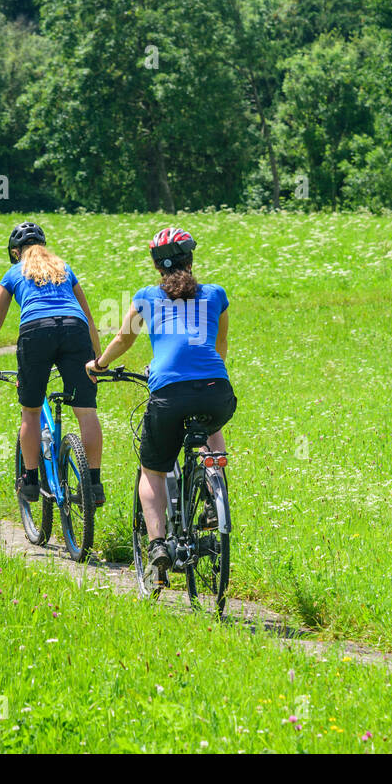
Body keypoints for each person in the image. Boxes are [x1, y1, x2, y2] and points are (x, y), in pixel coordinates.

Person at [85, 227, 235, 570]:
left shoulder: (146, 297)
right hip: (216, 390)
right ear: (191, 259)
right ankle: (215, 494)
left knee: (152, 470)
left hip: (168, 393)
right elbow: (220, 346)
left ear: (157, 267)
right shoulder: (216, 294)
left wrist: (99, 364)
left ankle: (157, 546)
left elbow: (124, 339)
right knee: (211, 431)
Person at [0, 222, 105, 504]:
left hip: (36, 332)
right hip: (75, 330)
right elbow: (89, 318)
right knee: (86, 410)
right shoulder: (65, 268)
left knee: (30, 412)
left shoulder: (12, 272)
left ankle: (30, 480)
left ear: (16, 252)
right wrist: (97, 360)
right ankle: (93, 483)